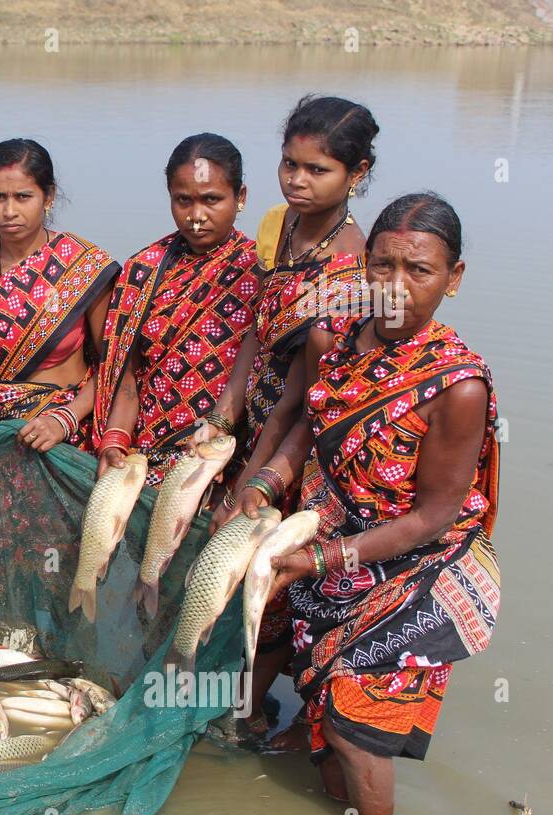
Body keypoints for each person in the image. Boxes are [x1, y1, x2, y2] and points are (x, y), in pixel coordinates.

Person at [243, 193, 499, 815]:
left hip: (417, 568)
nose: (396, 287)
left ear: (454, 279)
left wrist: (322, 558)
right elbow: (309, 420)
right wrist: (268, 482)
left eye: (420, 271)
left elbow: (434, 516)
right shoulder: (332, 334)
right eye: (381, 266)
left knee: (356, 731)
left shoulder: (457, 385)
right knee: (326, 717)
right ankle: (332, 812)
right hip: (334, 541)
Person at [205, 95, 379, 729]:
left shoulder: (352, 263)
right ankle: (236, 704)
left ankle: (250, 714)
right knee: (223, 561)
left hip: (299, 440)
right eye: (289, 164)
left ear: (357, 174)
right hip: (255, 421)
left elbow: (304, 397)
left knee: (269, 582)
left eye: (317, 170)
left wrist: (256, 472)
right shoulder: (278, 224)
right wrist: (226, 410)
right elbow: (255, 325)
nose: (298, 181)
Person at [93, 133, 259, 485]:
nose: (196, 216)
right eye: (183, 200)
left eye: (211, 200)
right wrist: (116, 440)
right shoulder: (144, 270)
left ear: (240, 197)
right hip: (147, 461)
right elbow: (127, 374)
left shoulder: (261, 272)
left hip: (222, 464)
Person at [0, 138, 119, 456]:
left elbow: (113, 364)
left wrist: (65, 418)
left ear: (48, 196)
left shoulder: (82, 265)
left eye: (23, 197)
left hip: (60, 436)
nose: (9, 211)